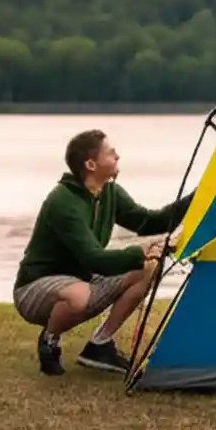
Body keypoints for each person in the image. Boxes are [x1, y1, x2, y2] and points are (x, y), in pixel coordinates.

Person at [12, 129, 193, 376]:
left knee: (147, 270)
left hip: (81, 279)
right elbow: (94, 258)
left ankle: (99, 346)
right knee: (79, 296)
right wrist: (140, 251)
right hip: (34, 287)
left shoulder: (109, 193)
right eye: (111, 153)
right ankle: (49, 341)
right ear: (91, 164)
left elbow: (152, 222)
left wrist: (200, 194)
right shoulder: (63, 202)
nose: (118, 156)